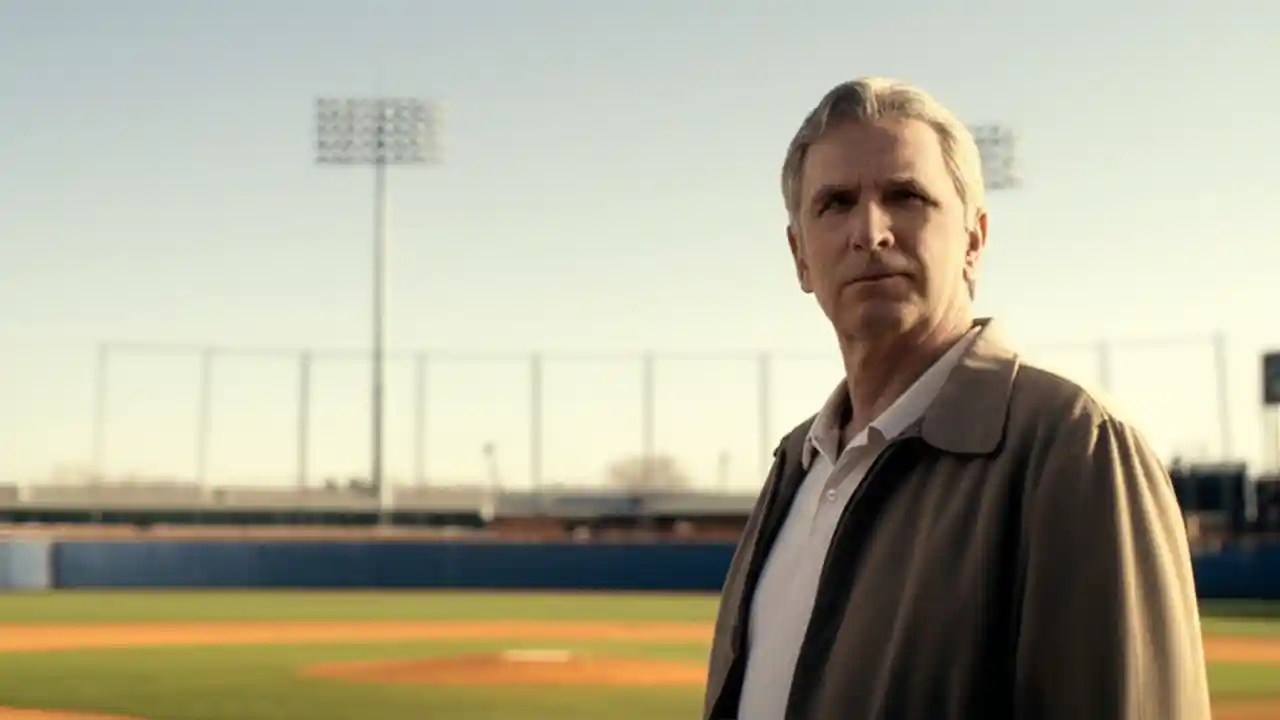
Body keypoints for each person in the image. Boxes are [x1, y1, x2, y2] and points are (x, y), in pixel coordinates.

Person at [702, 77, 1211, 720]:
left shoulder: (1074, 447)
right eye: (834, 203)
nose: (870, 231)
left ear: (974, 239)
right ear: (800, 255)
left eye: (905, 196)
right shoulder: (797, 465)